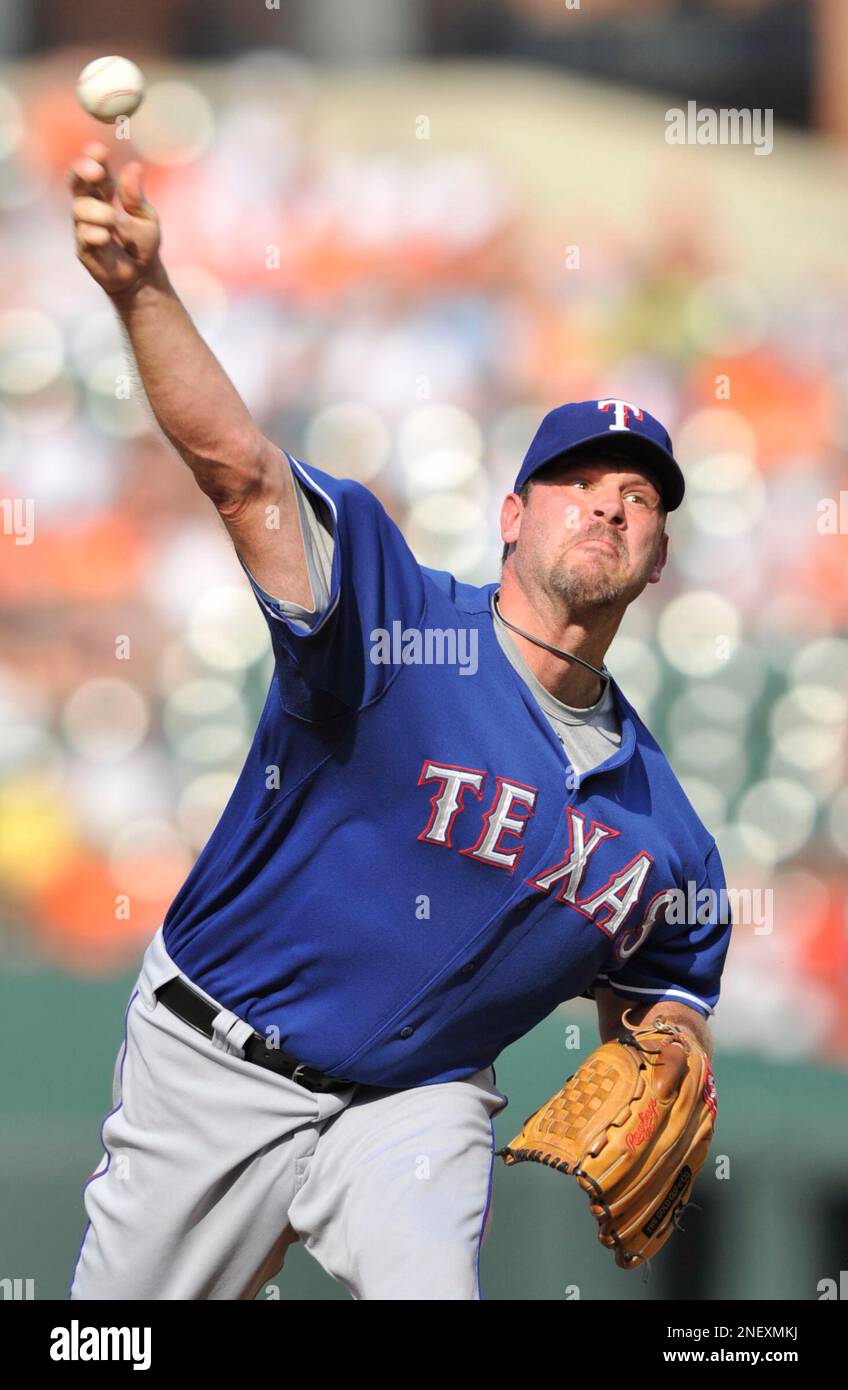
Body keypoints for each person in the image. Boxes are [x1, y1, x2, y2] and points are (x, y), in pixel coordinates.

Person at [67, 143, 730, 1301]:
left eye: (638, 497)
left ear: (658, 558)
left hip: (416, 1103)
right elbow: (237, 471)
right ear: (512, 515)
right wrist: (141, 290)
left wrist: (671, 1036)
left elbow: (667, 978)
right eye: (580, 480)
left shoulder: (660, 830)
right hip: (218, 1058)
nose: (610, 504)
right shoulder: (392, 619)